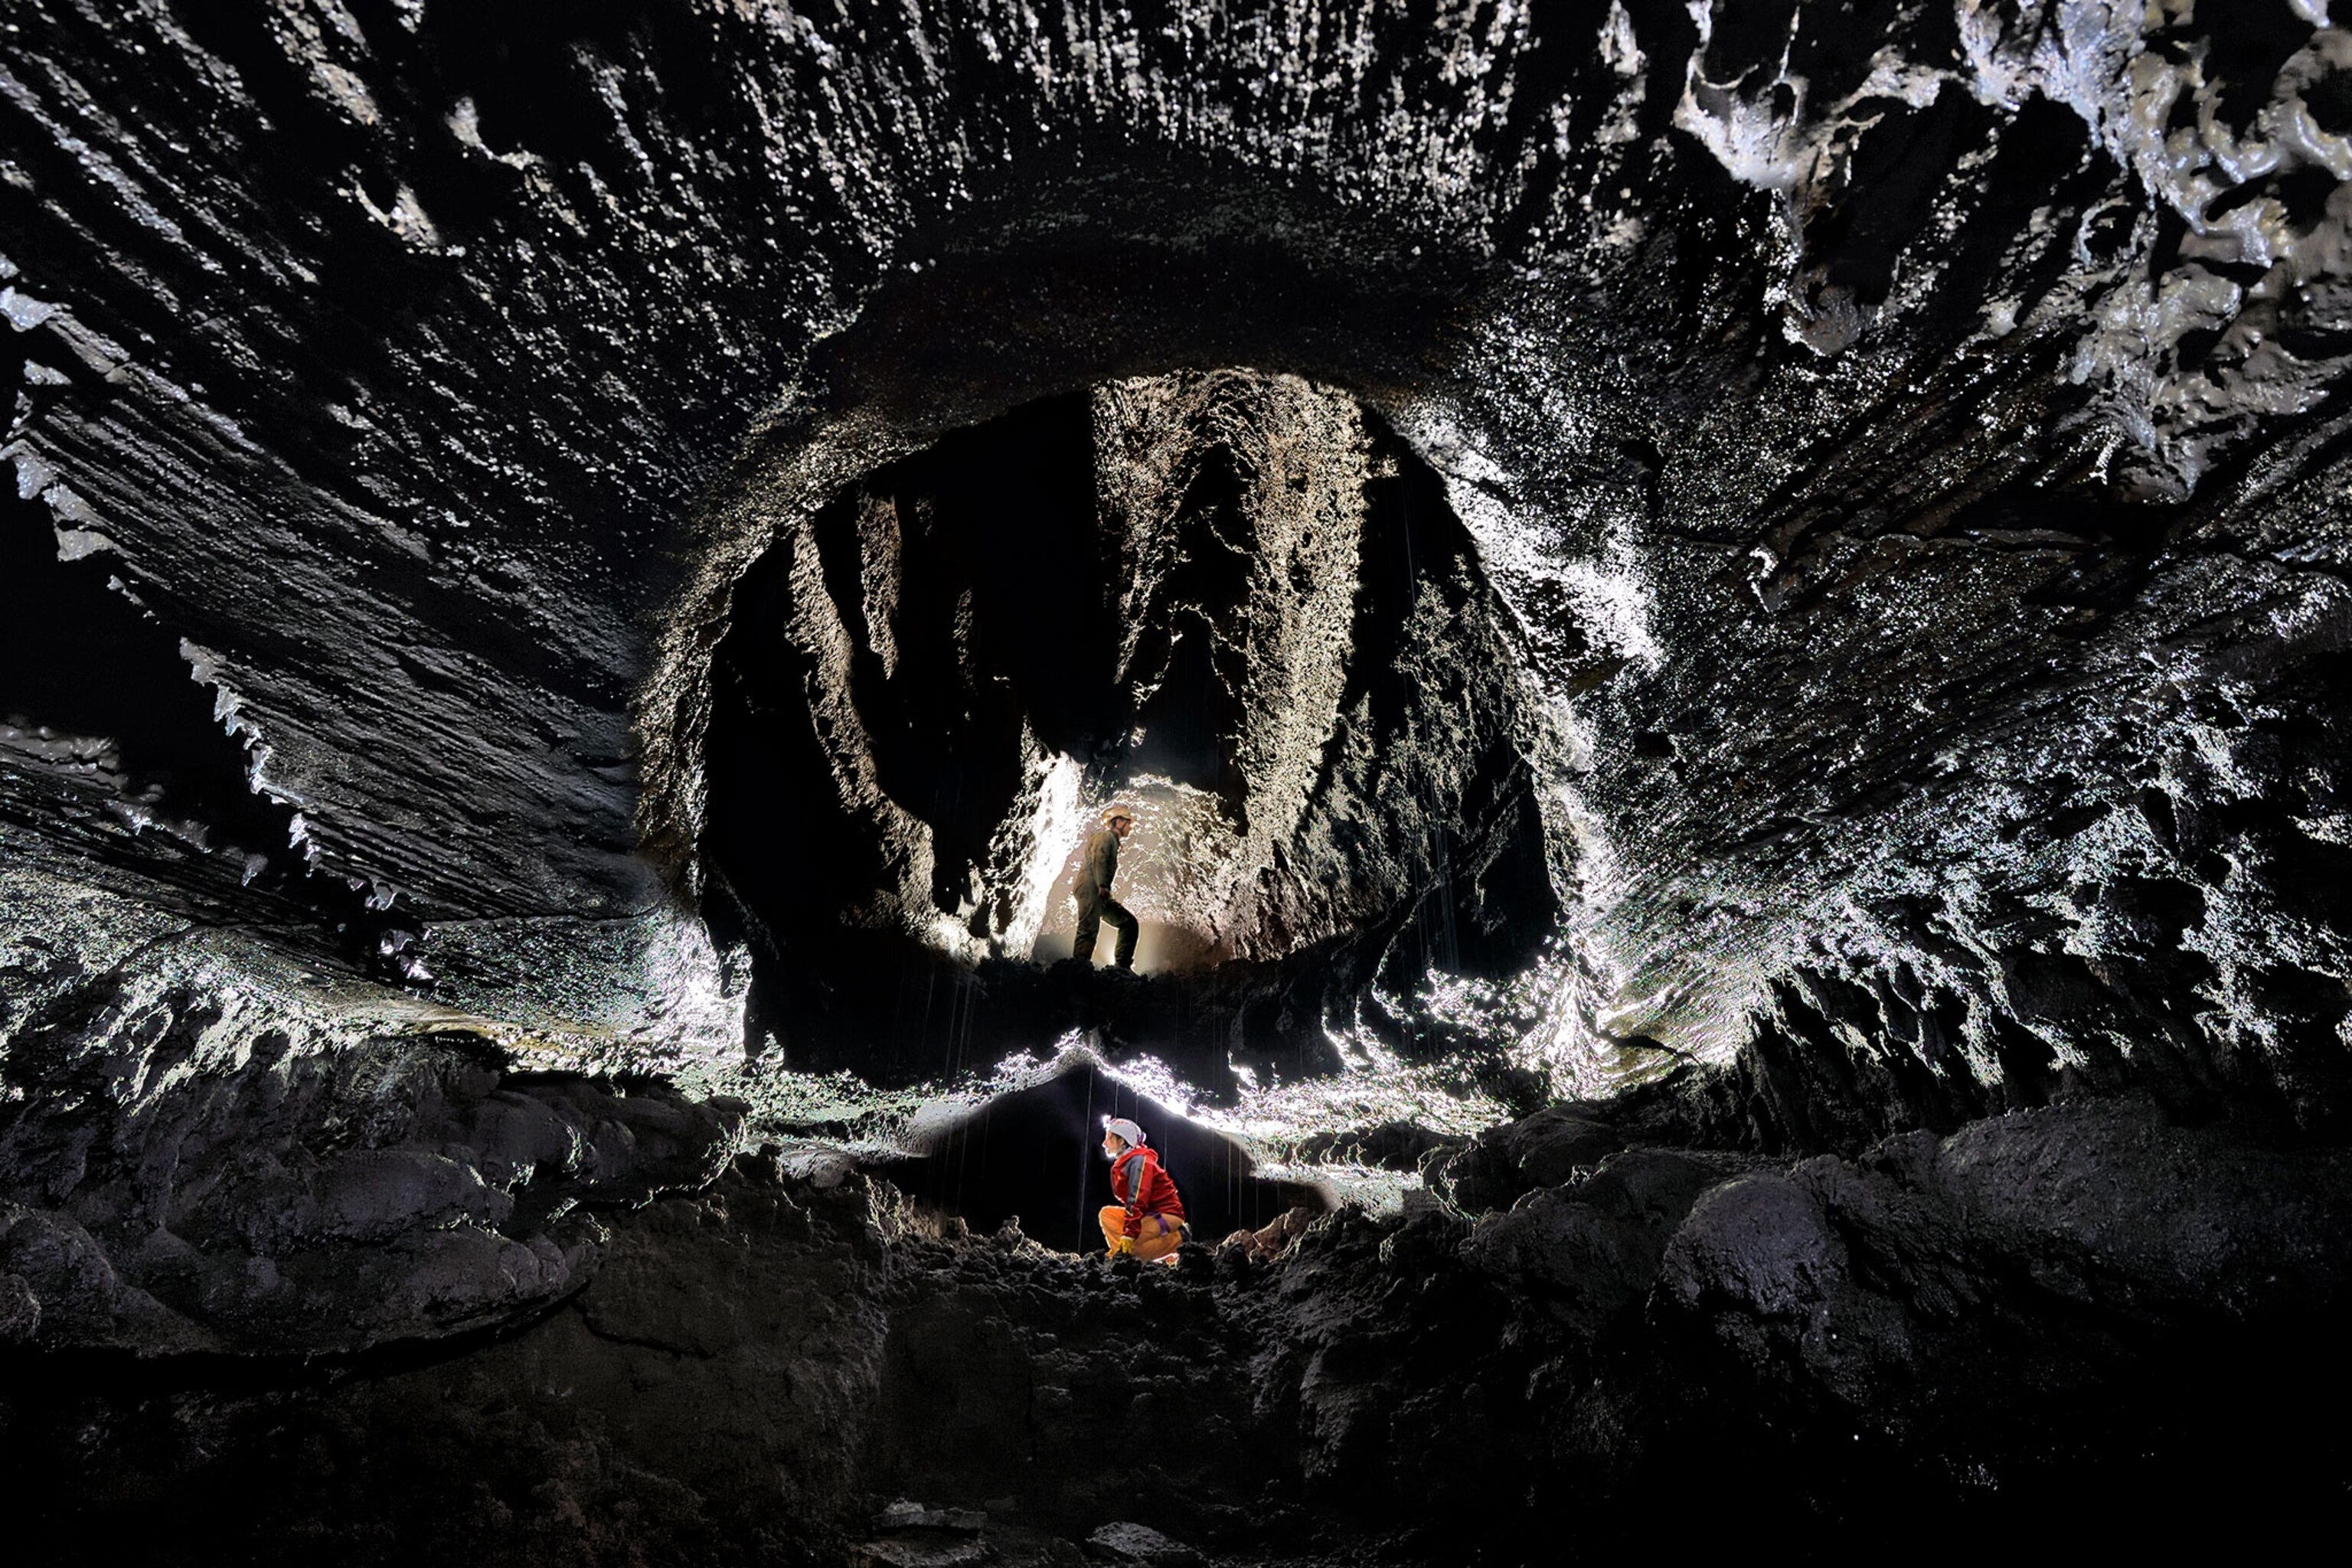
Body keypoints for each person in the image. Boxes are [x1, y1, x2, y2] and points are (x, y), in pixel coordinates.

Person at [1097, 1116, 1187, 1264]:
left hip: (1165, 1214)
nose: (1104, 1143)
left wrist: (1130, 1233)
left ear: (1123, 1142)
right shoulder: (1125, 1163)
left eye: (1110, 1139)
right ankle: (1120, 1255)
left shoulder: (1140, 1162)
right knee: (1107, 1215)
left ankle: (1178, 1239)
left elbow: (1138, 1198)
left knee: (1134, 1246)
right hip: (1146, 1214)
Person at [1070, 804, 1139, 969]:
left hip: (1100, 892)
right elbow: (1099, 859)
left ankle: (1122, 967)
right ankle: (1079, 970)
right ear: (1120, 822)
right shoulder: (1105, 837)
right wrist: (1102, 884)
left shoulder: (1113, 842)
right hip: (1091, 887)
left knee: (1129, 923)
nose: (1131, 828)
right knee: (1088, 929)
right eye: (1129, 823)